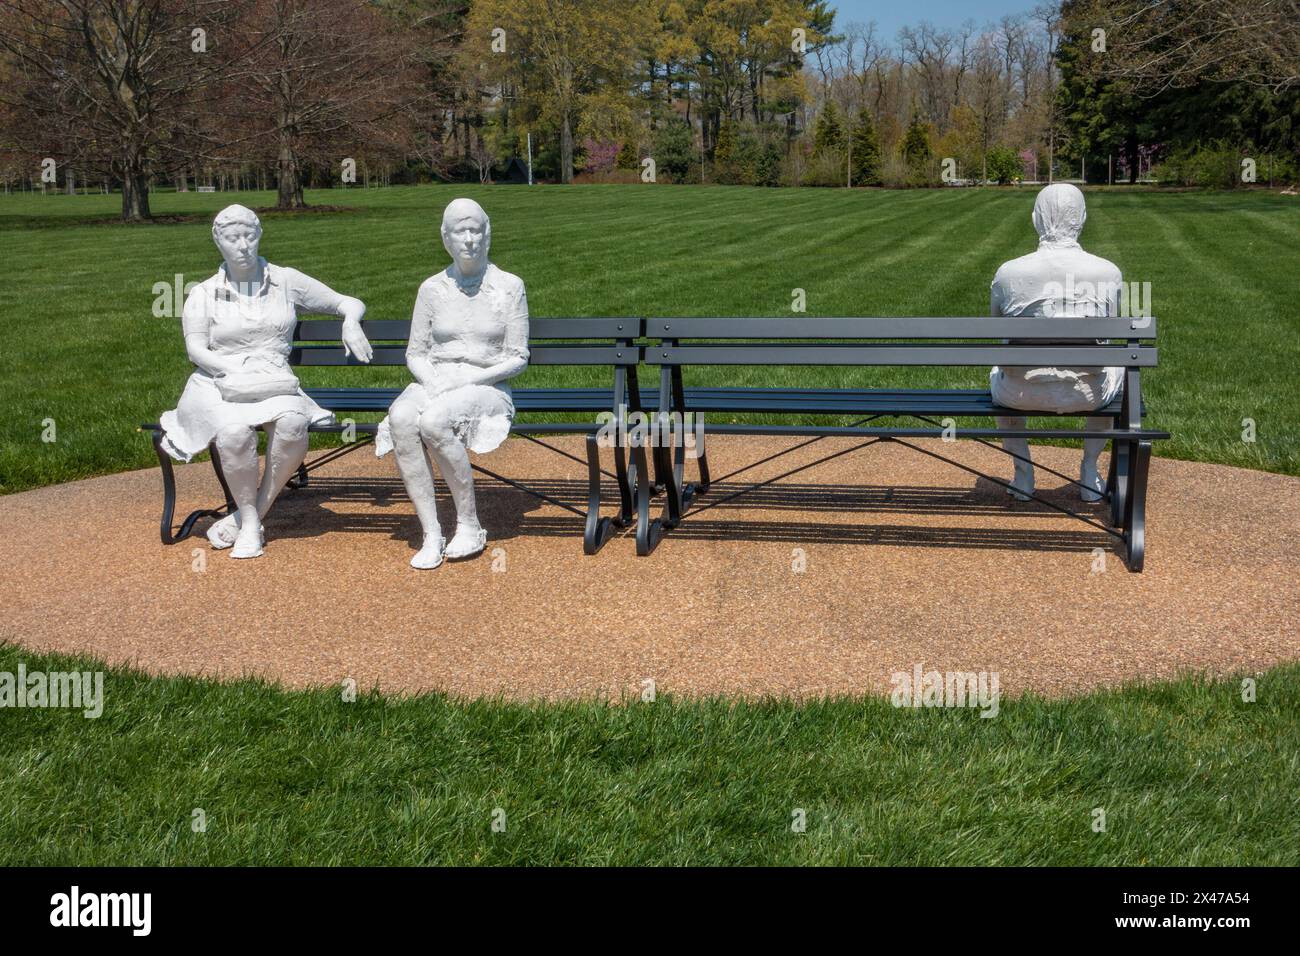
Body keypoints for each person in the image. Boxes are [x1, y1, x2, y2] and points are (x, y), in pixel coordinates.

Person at [158, 204, 373, 558]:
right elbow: (195, 348)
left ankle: (251, 515)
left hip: (273, 381)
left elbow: (346, 302)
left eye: (249, 236)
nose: (242, 245)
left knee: (292, 425)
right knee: (234, 434)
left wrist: (350, 320)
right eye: (232, 238)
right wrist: (231, 369)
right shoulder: (204, 293)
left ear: (259, 236)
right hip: (219, 383)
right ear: (218, 241)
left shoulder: (285, 280)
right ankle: (249, 524)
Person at [375, 198, 530, 569]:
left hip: (487, 387)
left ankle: (469, 524)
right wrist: (434, 382)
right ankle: (431, 532)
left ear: (487, 234)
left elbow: (518, 357)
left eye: (476, 229)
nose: (470, 239)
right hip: (436, 382)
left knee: (433, 421)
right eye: (461, 231)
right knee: (400, 417)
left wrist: (467, 379)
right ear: (446, 238)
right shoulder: (431, 289)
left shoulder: (510, 287)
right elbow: (415, 353)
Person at [989, 183, 1123, 502]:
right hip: (1088, 394)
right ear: (1082, 218)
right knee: (1119, 364)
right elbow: (1108, 336)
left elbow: (999, 335)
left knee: (999, 367)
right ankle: (1089, 469)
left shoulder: (1008, 273)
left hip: (1019, 393)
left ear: (1036, 219)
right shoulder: (1108, 272)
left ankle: (1023, 475)